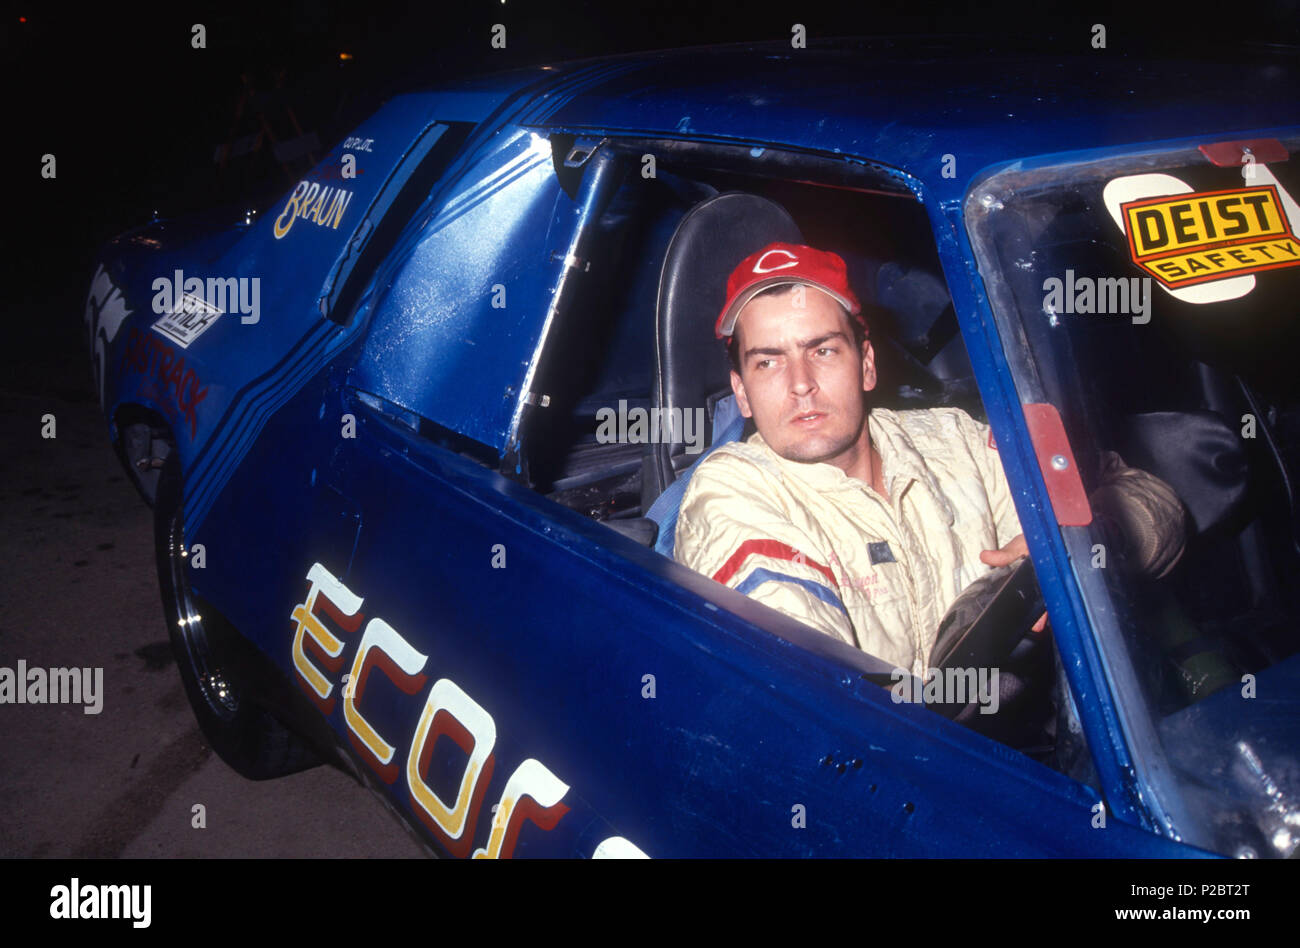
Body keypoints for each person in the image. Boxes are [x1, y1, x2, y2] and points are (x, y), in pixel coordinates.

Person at [673, 242, 1185, 676]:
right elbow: (810, 694)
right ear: (741, 392)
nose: (800, 383)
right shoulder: (731, 494)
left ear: (867, 365)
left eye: (823, 350)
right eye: (768, 361)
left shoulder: (956, 439)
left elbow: (1144, 494)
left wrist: (1084, 544)